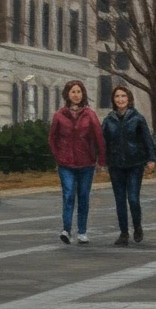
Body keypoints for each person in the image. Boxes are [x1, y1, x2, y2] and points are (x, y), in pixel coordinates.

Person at [47, 79, 106, 245]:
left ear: (83, 94)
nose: (76, 95)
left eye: (79, 92)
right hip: (66, 164)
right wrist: (58, 156)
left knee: (83, 197)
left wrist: (101, 160)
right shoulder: (59, 115)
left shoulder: (90, 115)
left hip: (86, 164)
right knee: (68, 195)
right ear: (67, 94)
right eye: (73, 91)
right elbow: (52, 138)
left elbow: (99, 138)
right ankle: (66, 229)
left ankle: (82, 232)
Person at [100, 85, 156, 245]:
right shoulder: (108, 120)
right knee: (119, 200)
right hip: (115, 164)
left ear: (129, 99)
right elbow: (103, 142)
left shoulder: (137, 118)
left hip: (135, 164)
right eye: (117, 96)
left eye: (123, 96)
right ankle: (123, 232)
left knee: (132, 198)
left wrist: (151, 158)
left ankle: (137, 227)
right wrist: (102, 161)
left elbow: (147, 139)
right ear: (113, 100)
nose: (120, 99)